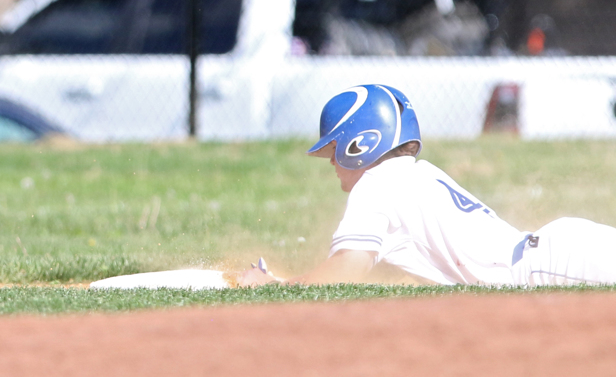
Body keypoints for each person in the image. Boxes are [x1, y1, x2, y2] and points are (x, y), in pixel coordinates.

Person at [239, 84, 616, 287]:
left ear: (363, 142)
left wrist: (273, 286)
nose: (334, 163)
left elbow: (348, 268)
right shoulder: (414, 173)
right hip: (556, 252)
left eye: (336, 148)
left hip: (544, 269)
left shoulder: (376, 183)